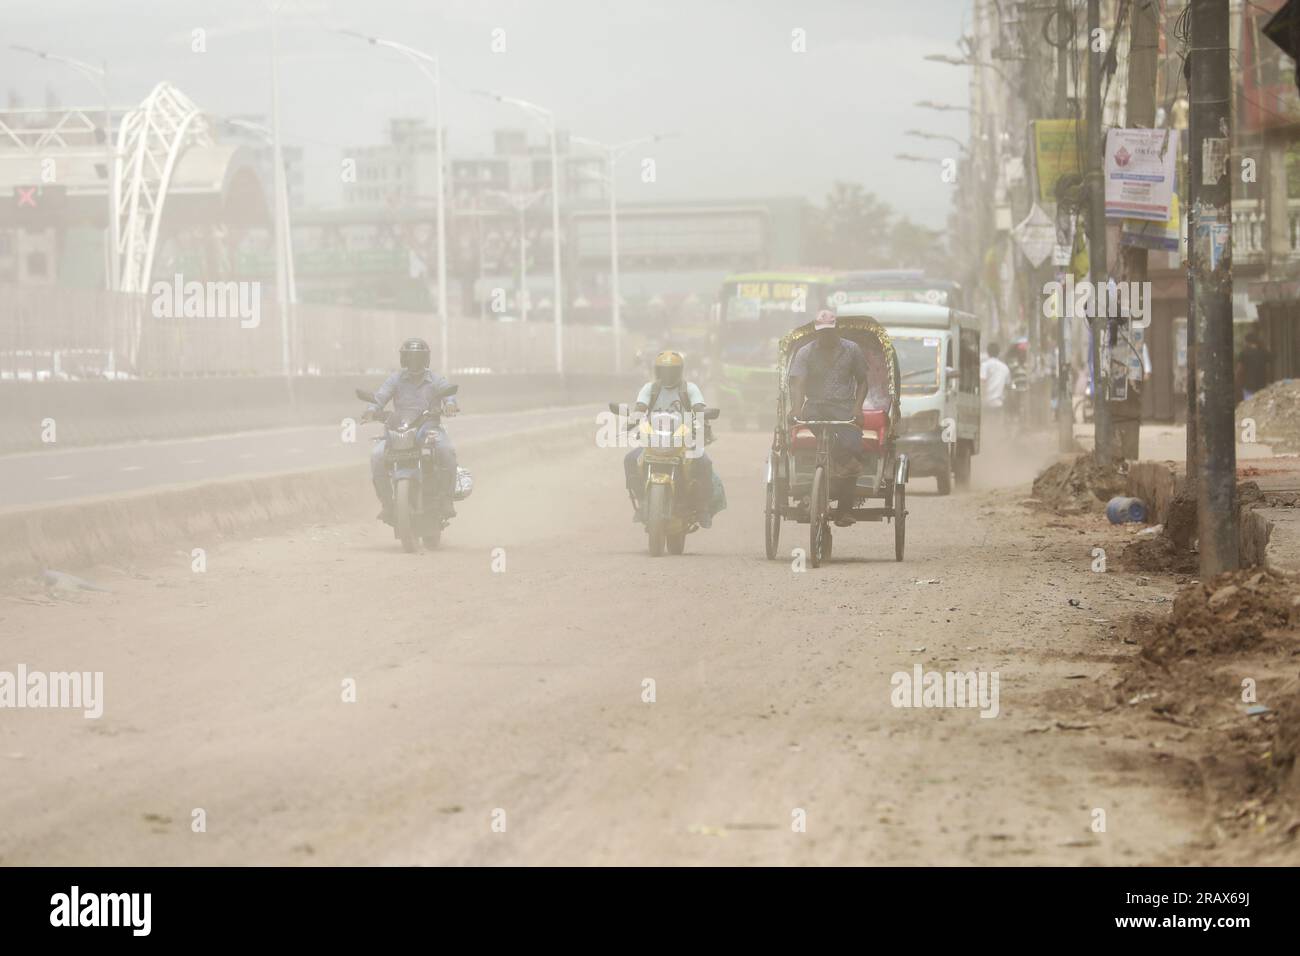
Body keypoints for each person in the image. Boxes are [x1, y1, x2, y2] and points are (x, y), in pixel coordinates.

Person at [788, 310, 871, 527]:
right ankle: (841, 465)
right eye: (821, 332)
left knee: (852, 445)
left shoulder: (852, 350)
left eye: (829, 332)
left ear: (836, 329)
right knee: (847, 459)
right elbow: (798, 384)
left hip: (844, 408)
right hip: (815, 406)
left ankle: (845, 509)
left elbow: (863, 381)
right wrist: (795, 408)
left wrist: (858, 408)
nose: (825, 336)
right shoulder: (805, 352)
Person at [365, 338, 458, 525]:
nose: (414, 362)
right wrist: (372, 409)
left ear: (426, 360)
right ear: (404, 359)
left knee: (446, 451)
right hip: (399, 430)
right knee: (376, 455)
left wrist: (449, 405)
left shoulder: (435, 379)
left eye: (418, 358)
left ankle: (446, 500)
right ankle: (388, 505)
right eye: (410, 358)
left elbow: (449, 394)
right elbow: (380, 396)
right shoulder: (396, 379)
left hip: (429, 429)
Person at [623, 350, 717, 527]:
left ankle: (702, 508)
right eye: (663, 371)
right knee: (629, 459)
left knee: (705, 463)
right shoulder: (649, 389)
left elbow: (698, 407)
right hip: (654, 439)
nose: (667, 375)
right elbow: (640, 407)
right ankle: (643, 502)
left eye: (671, 371)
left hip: (683, 440)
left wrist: (703, 417)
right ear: (657, 371)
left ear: (679, 371)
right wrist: (630, 421)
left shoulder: (690, 389)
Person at [980, 342, 1011, 424]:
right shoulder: (1005, 367)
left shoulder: (985, 365)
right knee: (997, 427)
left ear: (988, 352)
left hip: (986, 404)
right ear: (999, 353)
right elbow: (1007, 386)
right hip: (999, 404)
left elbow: (982, 383)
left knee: (986, 427)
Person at [1238, 327, 1272, 402]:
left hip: (1248, 385)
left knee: (1249, 405)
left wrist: (1239, 383)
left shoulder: (1244, 353)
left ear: (1247, 341)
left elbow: (1240, 370)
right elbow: (1268, 367)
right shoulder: (1263, 352)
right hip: (1262, 384)